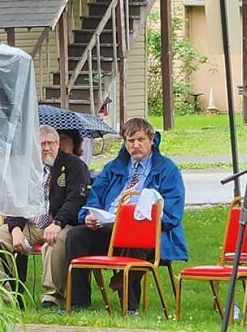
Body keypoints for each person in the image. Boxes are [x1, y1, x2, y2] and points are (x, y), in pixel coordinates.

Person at [58, 118, 187, 311]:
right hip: (109, 226)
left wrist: (141, 218)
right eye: (130, 141)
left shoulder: (166, 169)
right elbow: (95, 195)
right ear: (124, 143)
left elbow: (172, 213)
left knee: (132, 235)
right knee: (76, 236)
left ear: (151, 140)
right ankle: (78, 302)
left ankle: (130, 306)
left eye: (140, 140)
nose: (136, 145)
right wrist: (88, 215)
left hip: (149, 234)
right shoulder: (114, 167)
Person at [0, 125, 90, 308]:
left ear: (58, 144)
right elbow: (14, 200)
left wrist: (58, 222)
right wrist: (15, 229)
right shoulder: (26, 168)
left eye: (50, 143)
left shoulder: (73, 165)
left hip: (60, 223)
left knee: (55, 242)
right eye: (42, 144)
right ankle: (4, 296)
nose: (46, 148)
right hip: (29, 224)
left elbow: (76, 199)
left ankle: (52, 297)